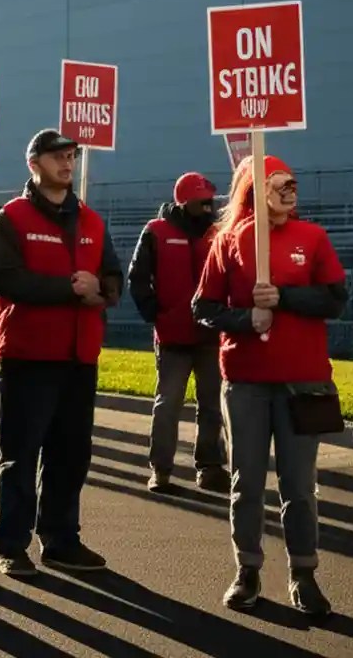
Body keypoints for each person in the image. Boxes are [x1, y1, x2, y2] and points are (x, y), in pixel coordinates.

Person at [192, 155, 346, 616]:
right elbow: (204, 307)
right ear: (253, 190)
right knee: (247, 483)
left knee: (300, 485)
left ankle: (304, 573)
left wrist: (285, 298)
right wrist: (245, 318)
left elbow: (336, 298)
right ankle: (248, 569)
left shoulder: (313, 237)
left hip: (305, 382)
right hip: (246, 382)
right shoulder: (228, 241)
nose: (289, 189)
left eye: (292, 182)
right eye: (277, 182)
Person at [0, 129, 121, 576]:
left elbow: (113, 278)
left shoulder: (93, 222)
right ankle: (11, 541)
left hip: (79, 357)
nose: (67, 163)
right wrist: (67, 288)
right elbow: (3, 279)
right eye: (57, 156)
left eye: (71, 156)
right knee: (20, 454)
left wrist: (100, 290)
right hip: (28, 355)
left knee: (71, 453)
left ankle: (61, 539)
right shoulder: (13, 217)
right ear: (34, 163)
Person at [127, 172, 229, 493]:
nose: (210, 205)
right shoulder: (156, 232)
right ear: (185, 201)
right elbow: (138, 277)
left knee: (212, 404)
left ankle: (210, 467)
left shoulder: (218, 233)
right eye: (203, 200)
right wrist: (157, 314)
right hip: (173, 337)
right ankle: (161, 469)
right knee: (168, 403)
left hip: (211, 335)